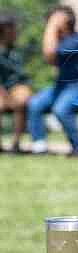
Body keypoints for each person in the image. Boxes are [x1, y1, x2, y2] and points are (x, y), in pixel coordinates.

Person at [27, 5, 78, 156]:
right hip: (61, 87)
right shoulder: (62, 40)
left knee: (60, 109)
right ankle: (39, 145)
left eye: (56, 18)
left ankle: (77, 148)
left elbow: (49, 53)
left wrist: (53, 25)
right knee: (35, 103)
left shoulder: (75, 40)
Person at [0, 12, 33, 153]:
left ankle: (16, 143)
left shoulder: (18, 50)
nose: (15, 32)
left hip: (17, 86)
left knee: (20, 100)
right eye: (12, 29)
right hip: (2, 88)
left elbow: (23, 77)